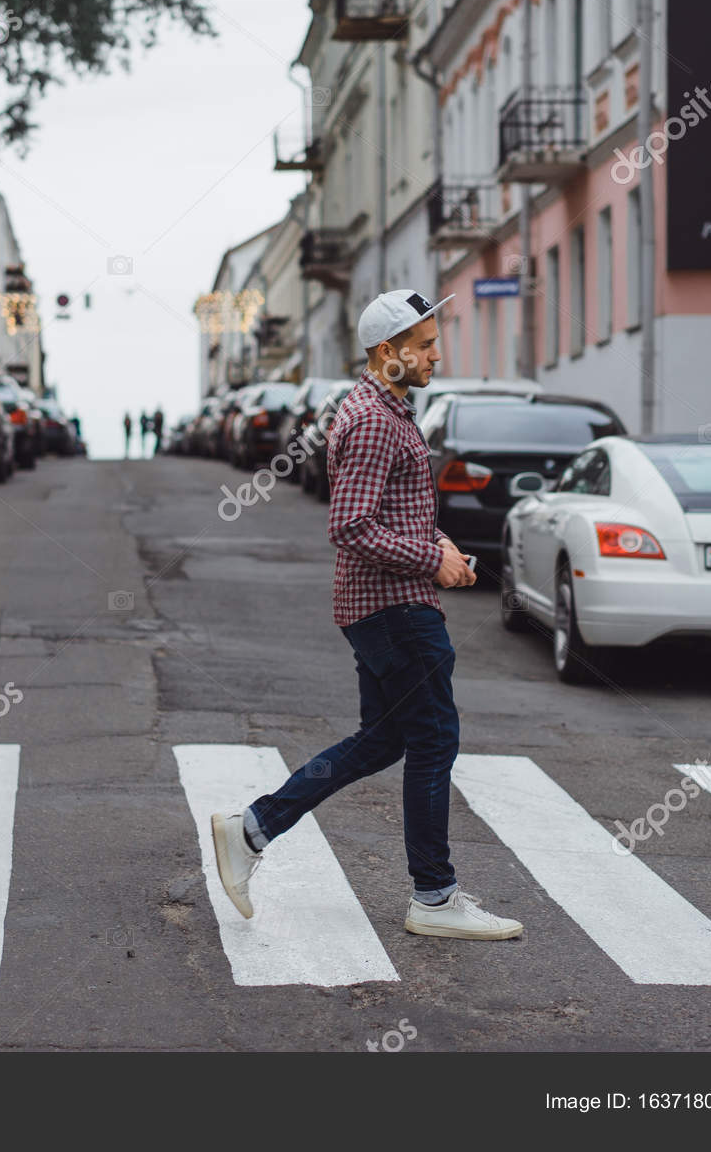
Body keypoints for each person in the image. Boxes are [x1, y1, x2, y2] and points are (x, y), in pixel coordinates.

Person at [209, 289, 522, 942]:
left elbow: (384, 513)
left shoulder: (380, 407)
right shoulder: (377, 419)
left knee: (383, 739)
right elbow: (349, 525)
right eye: (427, 344)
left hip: (381, 602)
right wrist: (427, 559)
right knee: (434, 739)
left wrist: (436, 546)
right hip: (396, 609)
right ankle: (433, 897)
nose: (439, 353)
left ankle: (252, 828)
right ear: (390, 351)